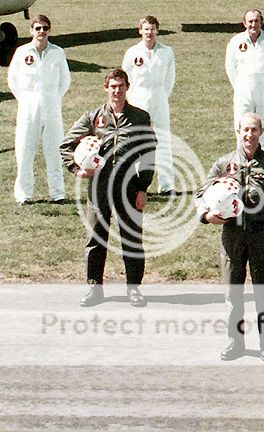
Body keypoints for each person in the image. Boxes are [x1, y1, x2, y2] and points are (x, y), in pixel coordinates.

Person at [196, 112, 264, 362]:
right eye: (245, 130)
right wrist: (207, 216)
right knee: (233, 293)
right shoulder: (224, 164)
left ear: (261, 132)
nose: (249, 135)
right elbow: (201, 194)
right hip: (233, 235)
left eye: (254, 130)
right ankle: (235, 343)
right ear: (237, 132)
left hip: (261, 234)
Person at [60, 68, 156, 307]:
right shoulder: (94, 117)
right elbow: (65, 144)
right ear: (106, 88)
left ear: (127, 87)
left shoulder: (140, 117)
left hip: (129, 186)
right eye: (112, 86)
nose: (117, 90)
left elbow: (149, 155)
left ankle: (133, 289)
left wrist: (143, 187)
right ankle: (95, 288)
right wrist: (78, 169)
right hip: (99, 187)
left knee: (131, 238)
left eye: (121, 86)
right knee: (95, 238)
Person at [8, 15, 70, 205]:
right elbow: (13, 80)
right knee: (25, 150)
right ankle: (23, 194)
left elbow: (65, 80)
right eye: (37, 28)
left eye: (45, 28)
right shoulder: (21, 52)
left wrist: (52, 98)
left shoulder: (57, 52)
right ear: (31, 31)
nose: (41, 32)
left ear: (49, 31)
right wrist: (27, 99)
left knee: (54, 150)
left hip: (51, 105)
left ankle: (57, 193)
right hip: (28, 106)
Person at [122, 15, 176, 194]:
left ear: (157, 30)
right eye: (146, 29)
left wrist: (160, 96)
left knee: (162, 141)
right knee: (139, 142)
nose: (149, 33)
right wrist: (130, 101)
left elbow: (170, 79)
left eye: (152, 29)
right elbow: (125, 79)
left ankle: (167, 185)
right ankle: (137, 184)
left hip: (159, 97)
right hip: (138, 97)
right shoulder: (132, 52)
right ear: (140, 31)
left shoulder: (166, 52)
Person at [225, 9, 264, 153]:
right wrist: (239, 87)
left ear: (261, 22)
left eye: (256, 21)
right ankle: (242, 166)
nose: (253, 25)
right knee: (242, 127)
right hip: (243, 90)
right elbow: (230, 67)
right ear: (244, 23)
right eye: (250, 21)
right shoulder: (236, 41)